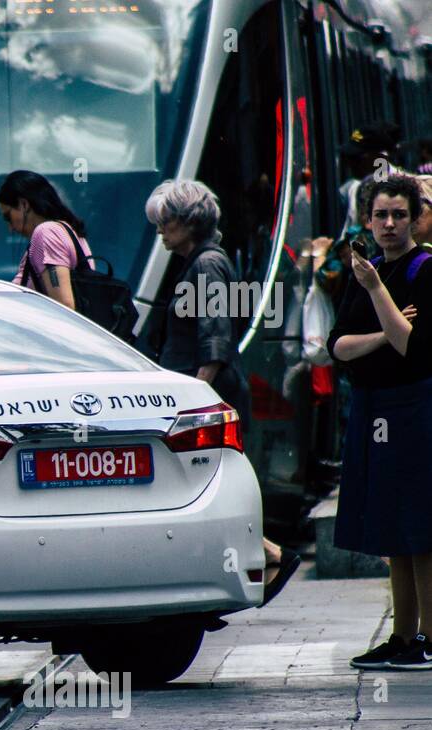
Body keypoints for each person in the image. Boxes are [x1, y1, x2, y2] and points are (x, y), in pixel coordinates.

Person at [143, 179, 301, 606]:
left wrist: (193, 400)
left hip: (207, 397)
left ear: (189, 222)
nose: (160, 228)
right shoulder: (200, 262)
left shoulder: (206, 265)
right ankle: (267, 555)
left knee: (212, 482)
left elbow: (214, 341)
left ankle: (271, 554)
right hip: (204, 395)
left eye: (167, 220)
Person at [327, 174, 432, 670]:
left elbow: (413, 344)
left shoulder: (424, 269)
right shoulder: (363, 274)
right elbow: (338, 347)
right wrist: (379, 332)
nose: (389, 224)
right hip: (375, 409)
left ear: (415, 219)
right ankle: (403, 636)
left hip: (416, 408)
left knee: (422, 528)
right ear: (367, 220)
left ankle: (428, 637)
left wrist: (377, 296)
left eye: (399, 215)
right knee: (393, 529)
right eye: (381, 215)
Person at [0, 170, 91, 312]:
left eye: (8, 217)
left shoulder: (46, 233)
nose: (10, 228)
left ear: (23, 205)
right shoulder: (71, 233)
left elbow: (64, 307)